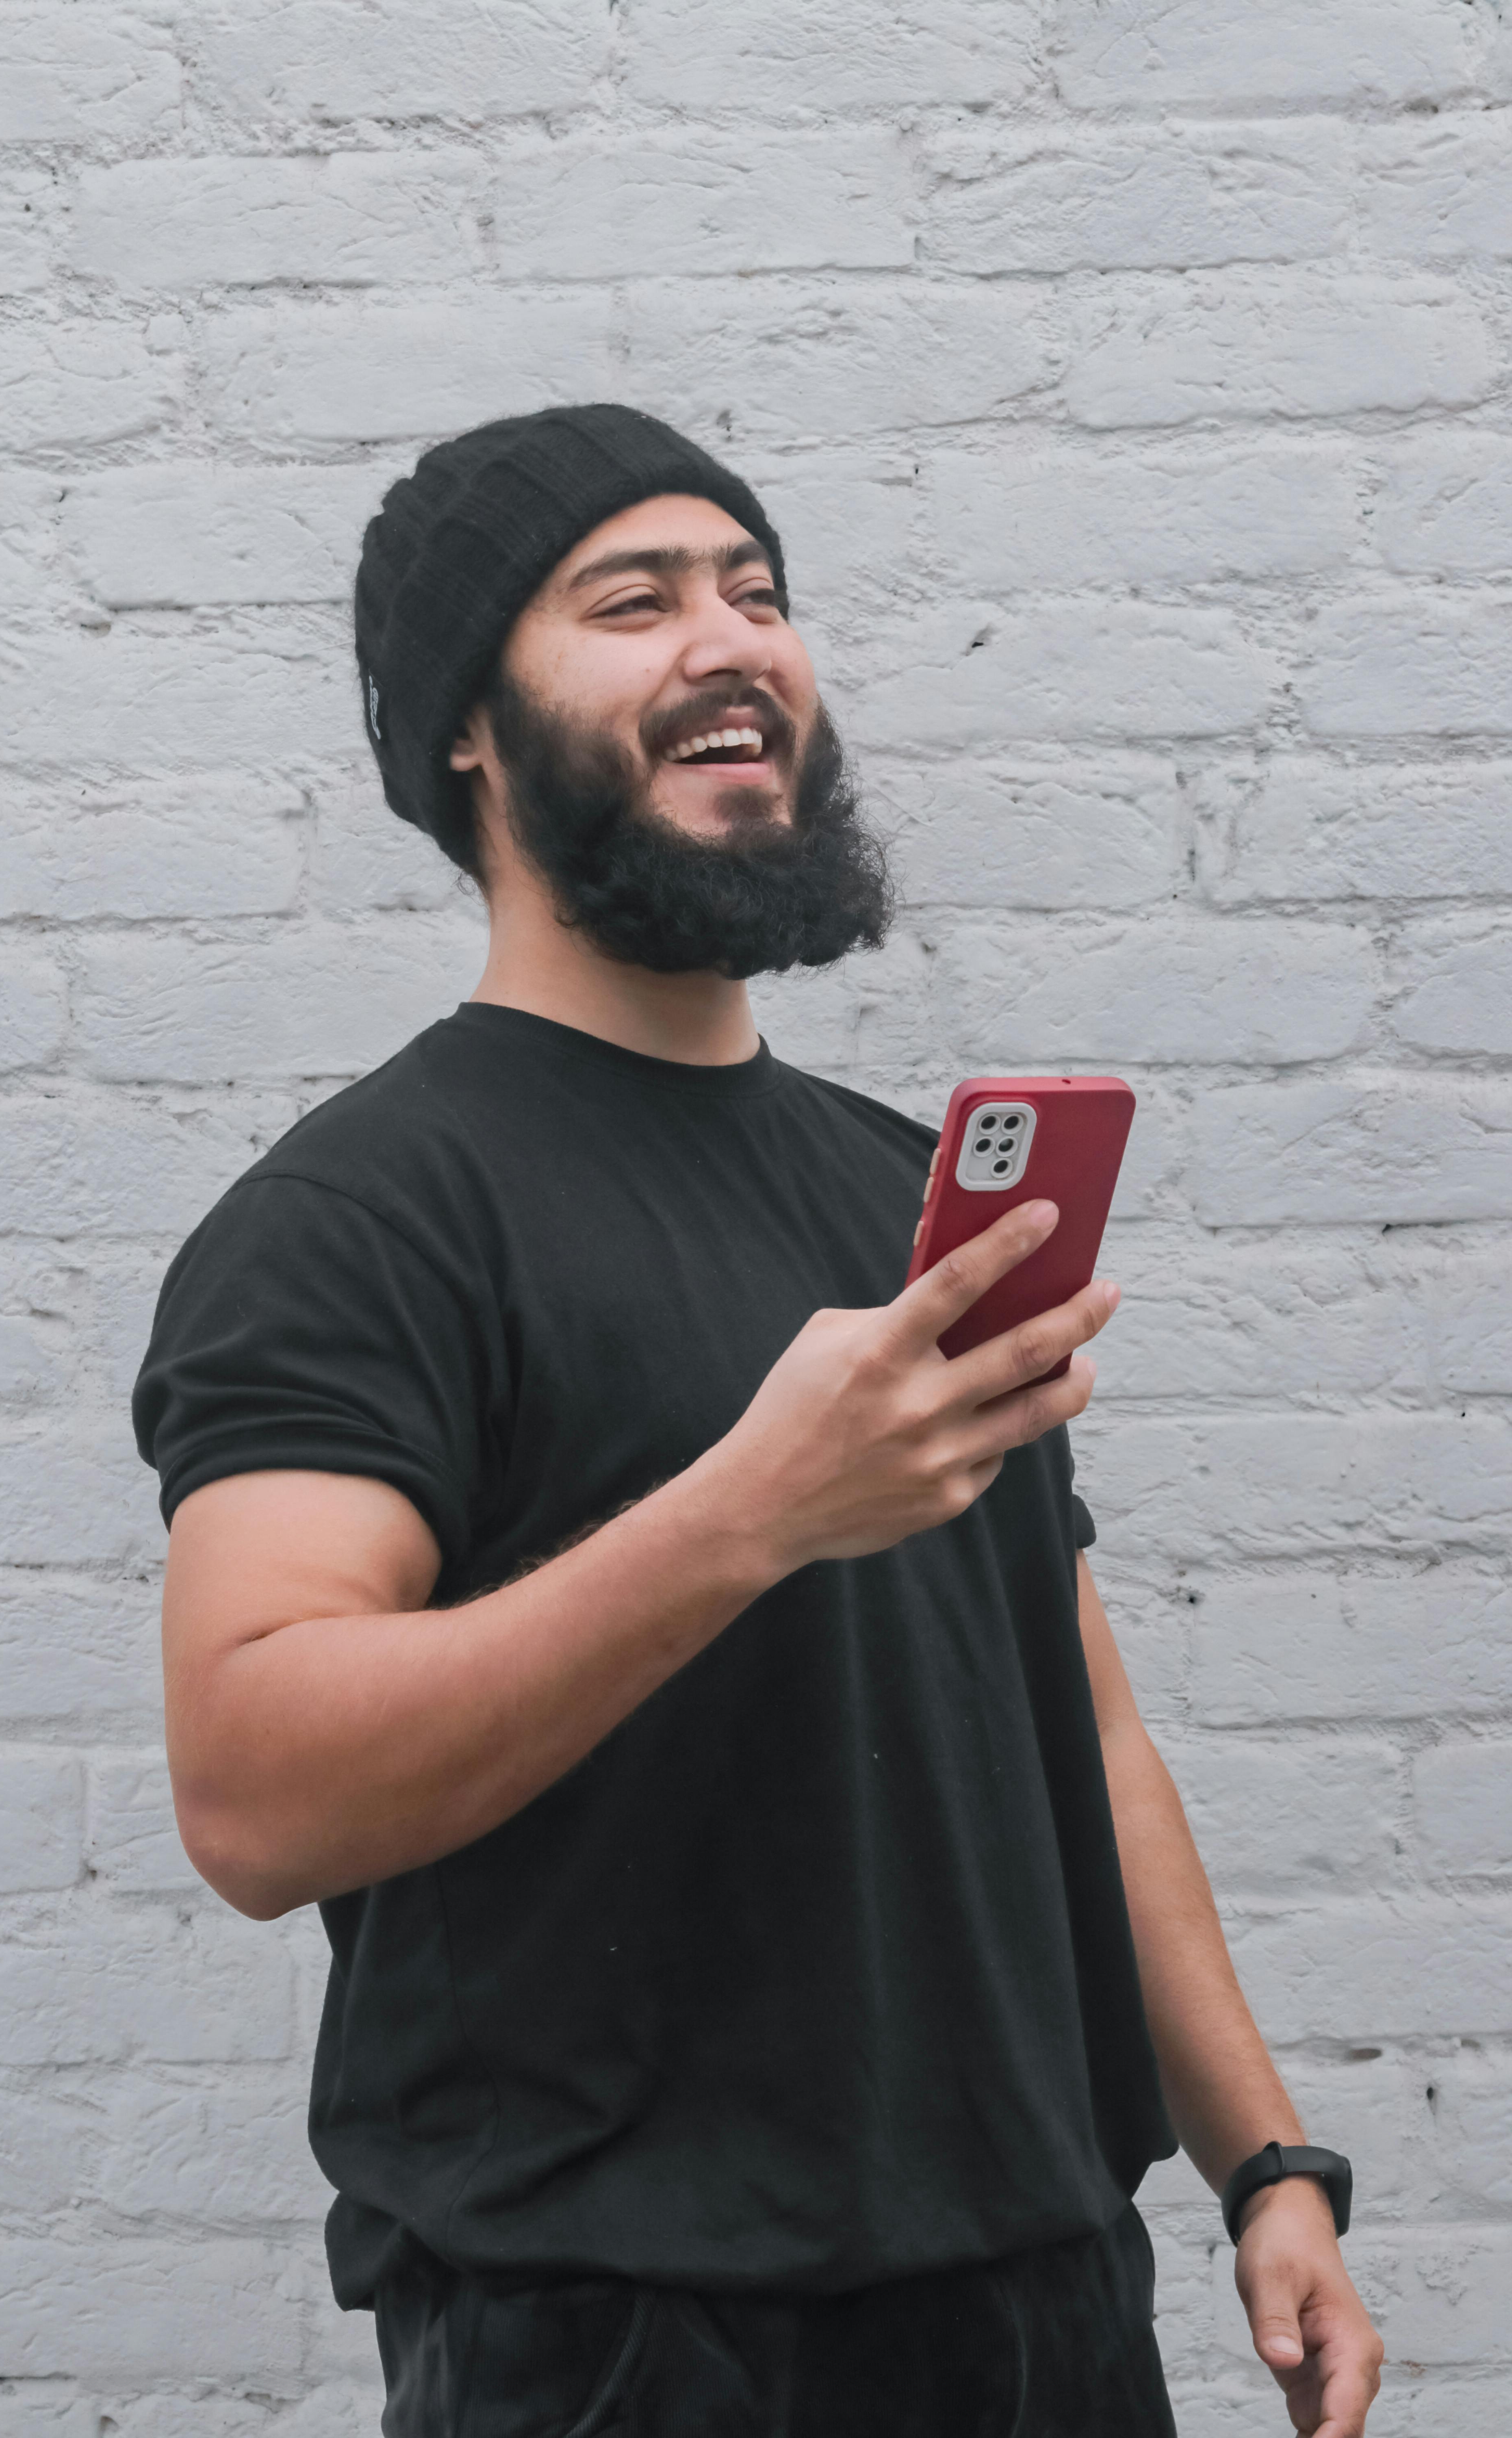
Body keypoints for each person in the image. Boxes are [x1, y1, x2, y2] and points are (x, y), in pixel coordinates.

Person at [133, 404, 1383, 2436]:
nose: (734, 642)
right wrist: (754, 1509)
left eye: (761, 592)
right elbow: (254, 1796)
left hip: (1047, 2299)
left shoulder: (909, 1193)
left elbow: (1079, 1717)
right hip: (634, 2342)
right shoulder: (358, 1220)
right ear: (467, 725)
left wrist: (1264, 2162)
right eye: (633, 601)